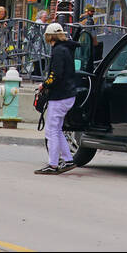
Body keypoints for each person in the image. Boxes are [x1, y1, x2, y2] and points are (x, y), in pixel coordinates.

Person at [36, 22, 80, 175]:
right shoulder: (66, 48)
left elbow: (55, 75)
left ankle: (53, 164)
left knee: (52, 130)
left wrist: (44, 85)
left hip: (60, 96)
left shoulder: (58, 51)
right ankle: (68, 160)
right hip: (68, 95)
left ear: (49, 36)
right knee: (58, 129)